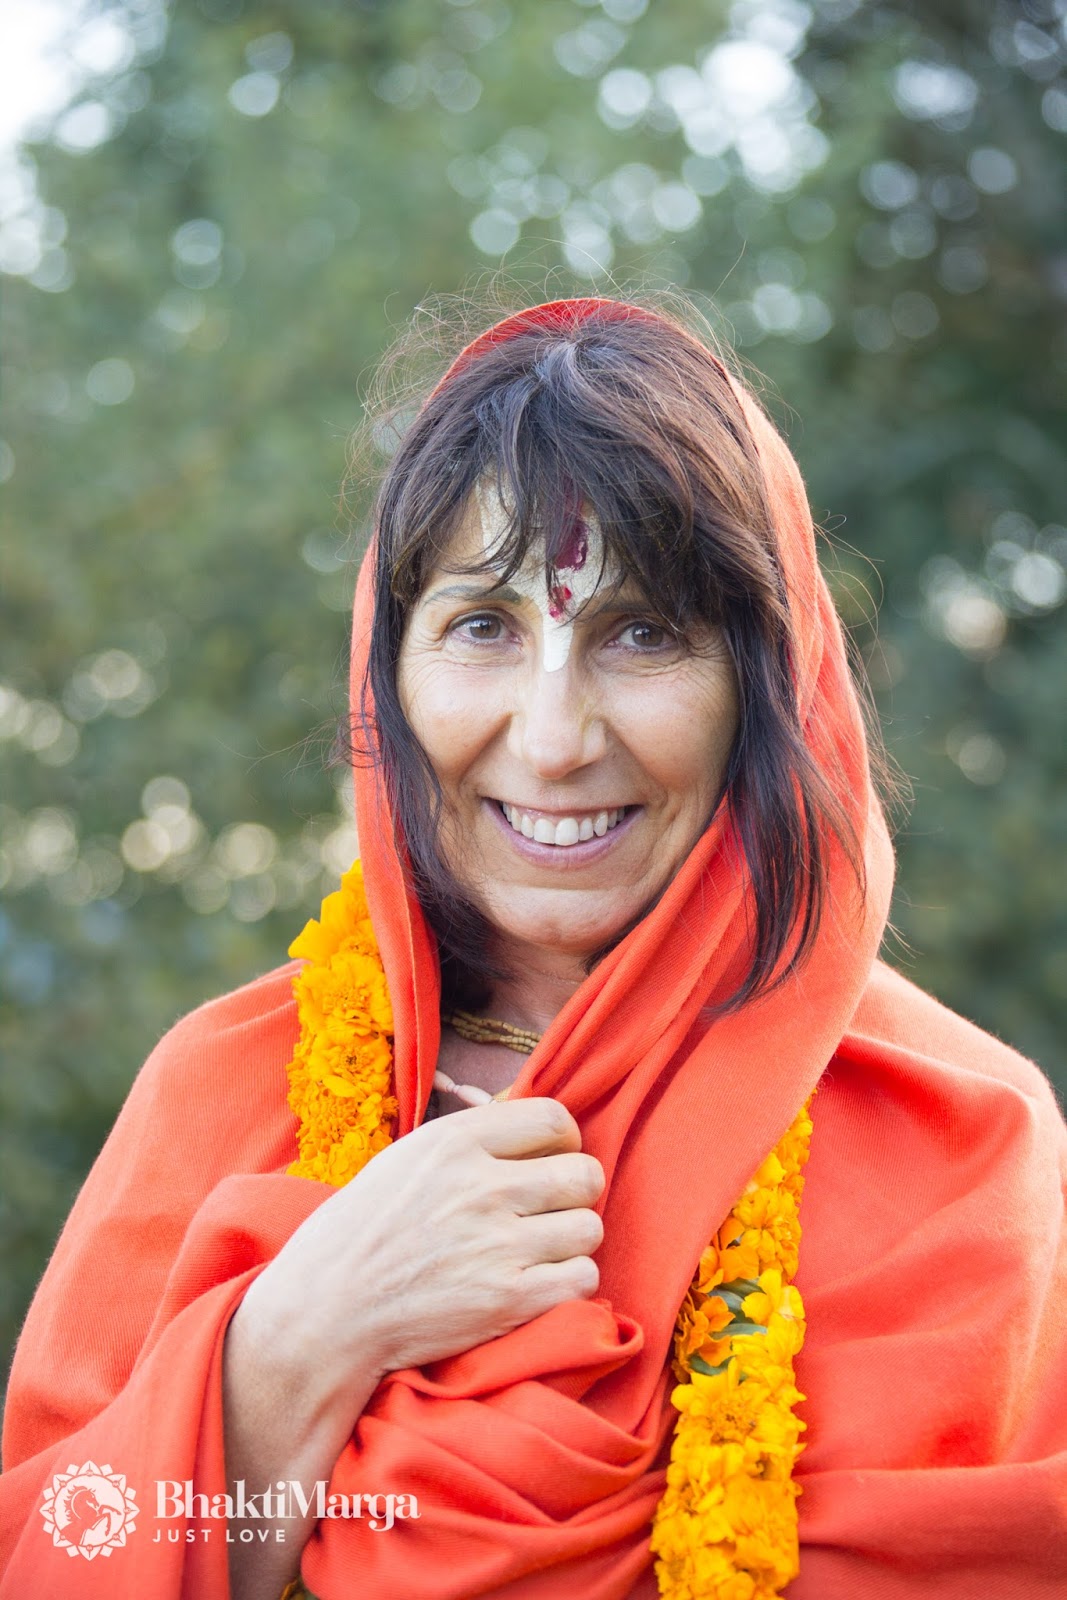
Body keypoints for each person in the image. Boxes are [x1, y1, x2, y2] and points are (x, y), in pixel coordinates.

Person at [1, 297, 1065, 1600]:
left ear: (766, 685)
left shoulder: (957, 1135)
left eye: (644, 632)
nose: (554, 739)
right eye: (484, 627)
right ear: (388, 677)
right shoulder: (226, 1093)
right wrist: (301, 1339)